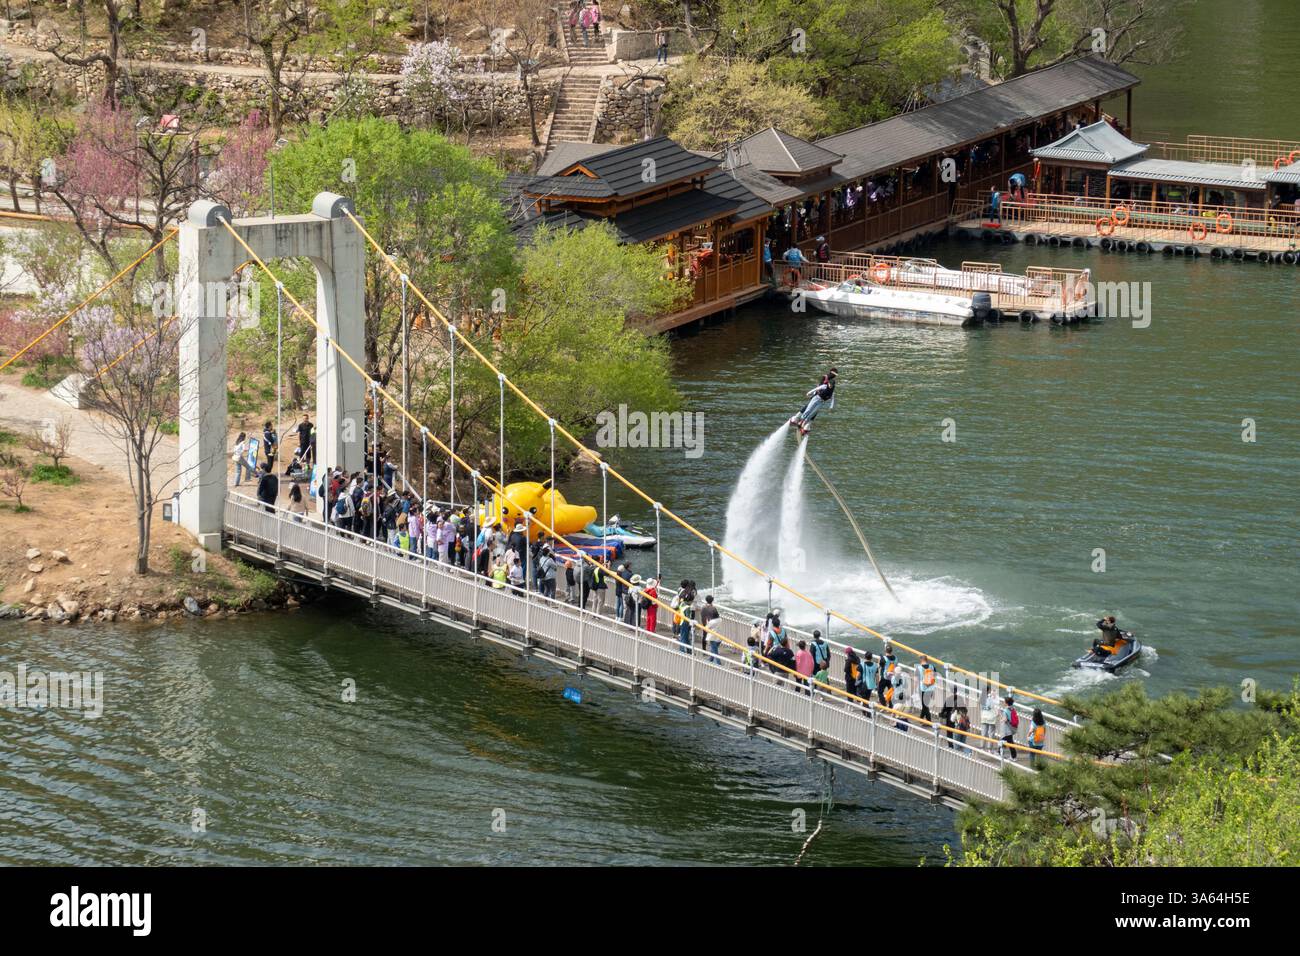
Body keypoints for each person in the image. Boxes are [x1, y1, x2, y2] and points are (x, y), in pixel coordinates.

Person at [789, 368, 837, 434]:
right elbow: (819, 387)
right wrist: (811, 393)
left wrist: (831, 406)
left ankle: (803, 423)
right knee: (809, 409)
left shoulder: (828, 381)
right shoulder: (826, 380)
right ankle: (801, 422)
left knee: (813, 411)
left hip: (820, 399)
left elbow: (830, 395)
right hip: (817, 396)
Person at [916, 654, 937, 722]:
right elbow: (934, 676)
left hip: (923, 688)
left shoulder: (918, 668)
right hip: (930, 688)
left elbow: (917, 679)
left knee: (925, 705)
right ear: (926, 660)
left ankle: (928, 720)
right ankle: (921, 719)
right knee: (925, 705)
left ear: (921, 660)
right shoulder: (932, 667)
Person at [999, 695, 1019, 760]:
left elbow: (1005, 719)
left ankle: (1013, 757)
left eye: (1004, 701)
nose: (1003, 702)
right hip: (1011, 728)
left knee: (1006, 742)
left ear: (1006, 703)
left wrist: (1001, 718)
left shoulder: (1005, 710)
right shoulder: (1012, 708)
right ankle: (1000, 753)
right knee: (1007, 741)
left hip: (1007, 730)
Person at [980, 685, 998, 750]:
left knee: (983, 733)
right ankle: (989, 749)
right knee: (991, 734)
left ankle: (982, 747)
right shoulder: (991, 698)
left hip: (984, 717)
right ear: (988, 691)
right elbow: (993, 706)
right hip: (991, 718)